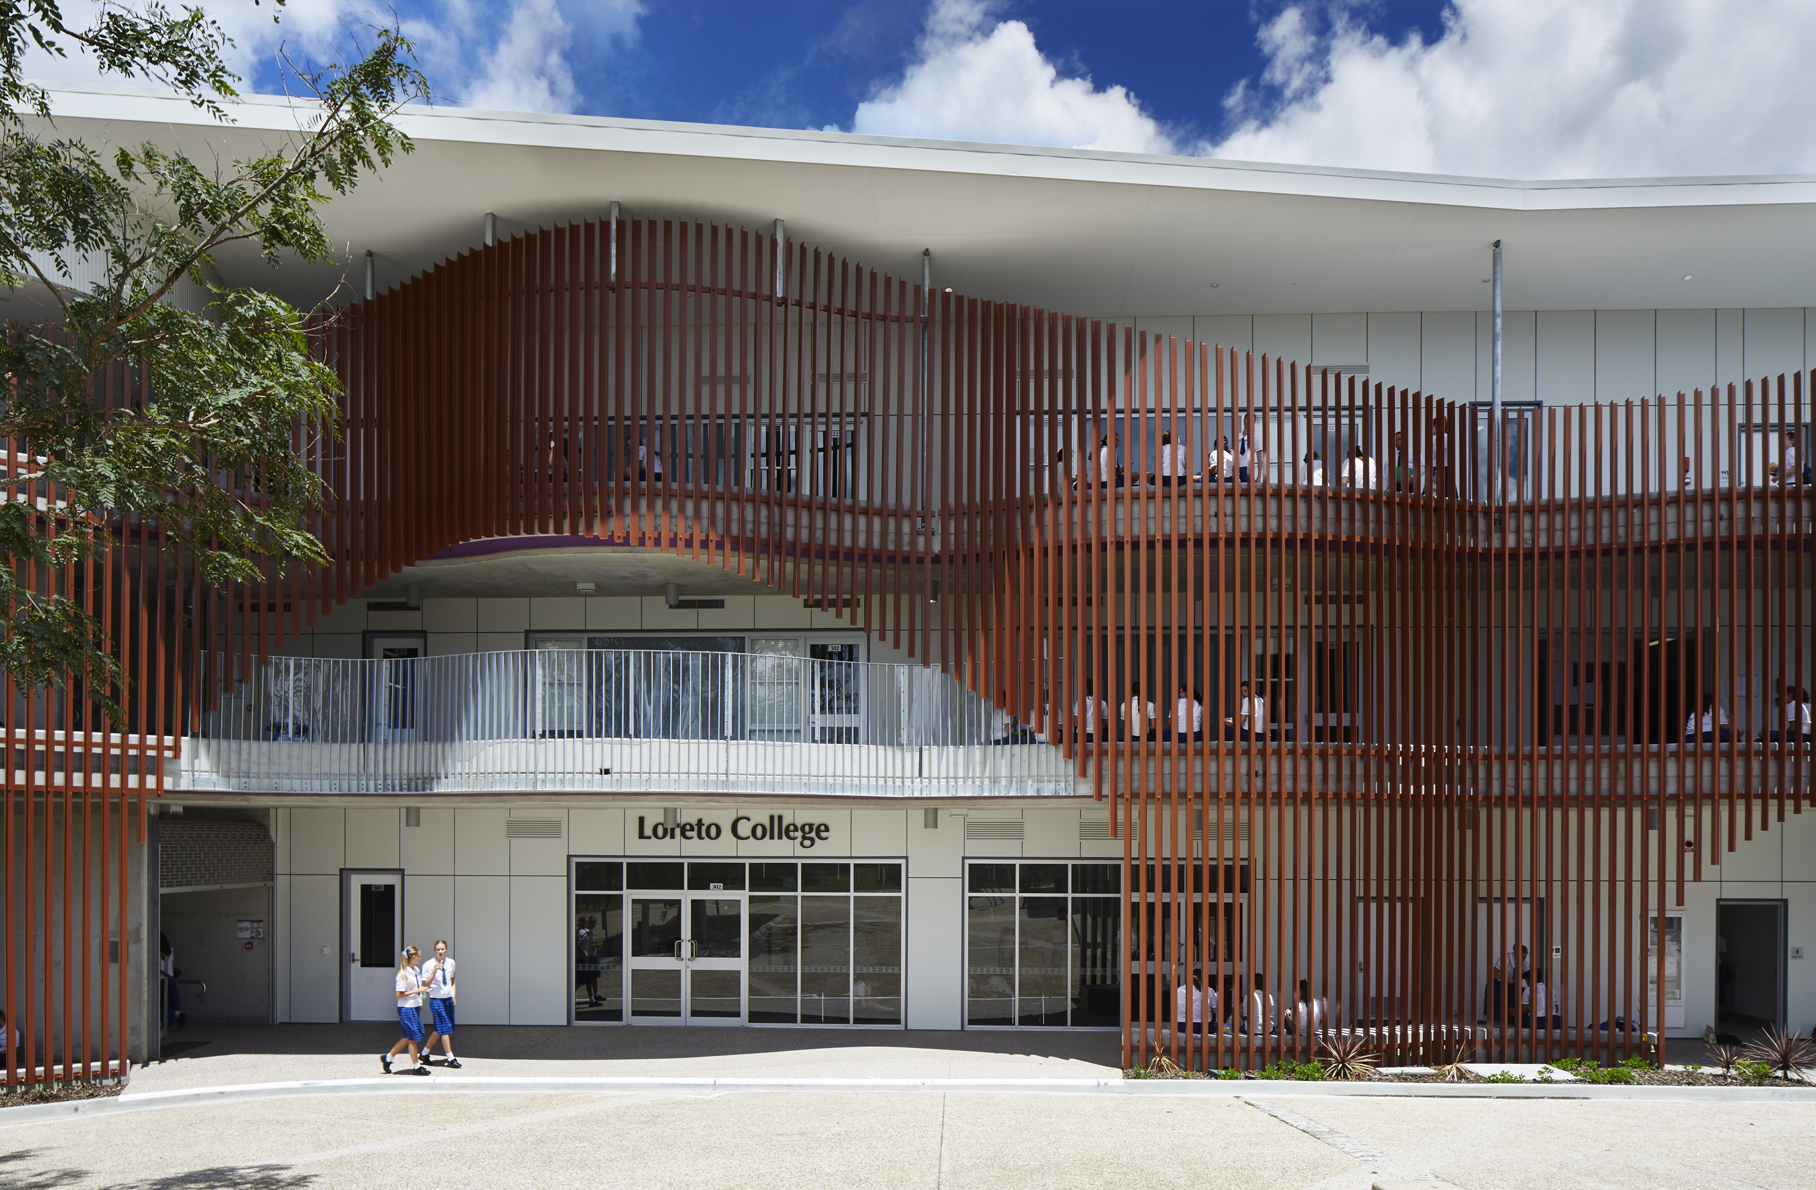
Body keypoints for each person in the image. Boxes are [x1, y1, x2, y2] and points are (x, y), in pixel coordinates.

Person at [384, 946, 430, 1075]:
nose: (420, 958)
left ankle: (388, 1058)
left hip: (414, 1006)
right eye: (419, 956)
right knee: (412, 1038)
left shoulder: (416, 970)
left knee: (406, 1037)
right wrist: (417, 990)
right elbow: (398, 994)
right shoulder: (402, 974)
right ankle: (416, 1067)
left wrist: (422, 990)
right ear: (413, 957)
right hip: (406, 1008)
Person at [419, 939, 462, 1068]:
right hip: (436, 999)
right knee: (444, 1028)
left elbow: (452, 980)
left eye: (442, 949)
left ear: (446, 949)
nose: (440, 951)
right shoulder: (428, 964)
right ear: (435, 950)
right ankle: (451, 1057)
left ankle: (424, 1054)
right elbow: (426, 984)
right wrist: (434, 971)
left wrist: (453, 995)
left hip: (447, 998)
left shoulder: (451, 963)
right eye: (438, 949)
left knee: (439, 1029)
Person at [159, 933, 185, 1031]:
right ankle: (178, 1015)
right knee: (168, 1003)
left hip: (160, 978)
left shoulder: (154, 949)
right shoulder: (170, 949)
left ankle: (160, 1023)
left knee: (160, 1002)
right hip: (169, 977)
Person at [1073, 678, 1107, 744]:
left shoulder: (1079, 702)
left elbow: (1076, 720)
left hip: (1081, 733)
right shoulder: (1102, 703)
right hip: (1096, 733)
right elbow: (1106, 722)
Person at [1174, 969, 1205, 1035]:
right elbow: (1214, 1009)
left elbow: (1176, 1008)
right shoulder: (1208, 990)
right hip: (1202, 1025)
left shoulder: (1179, 990)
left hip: (1181, 1025)